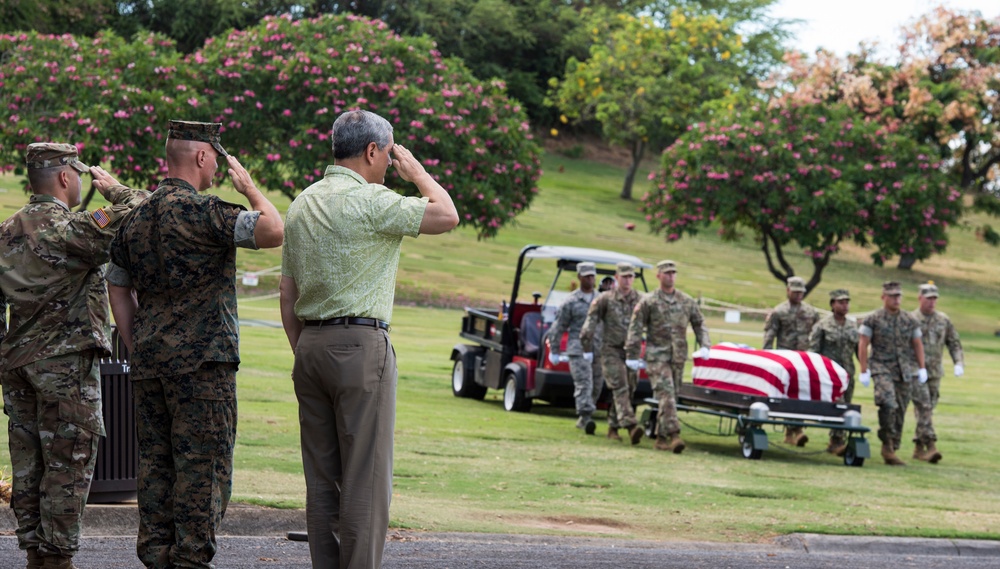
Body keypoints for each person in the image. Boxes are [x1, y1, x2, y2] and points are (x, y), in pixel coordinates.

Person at [278, 109, 458, 569]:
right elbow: (447, 215)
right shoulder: (374, 202)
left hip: (310, 347)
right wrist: (418, 174)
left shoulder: (301, 203)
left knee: (322, 480)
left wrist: (305, 349)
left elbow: (288, 290)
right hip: (360, 346)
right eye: (389, 152)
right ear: (373, 150)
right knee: (366, 479)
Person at [107, 121, 284, 568]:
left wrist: (136, 343)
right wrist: (251, 189)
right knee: (202, 474)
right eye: (215, 159)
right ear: (204, 157)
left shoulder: (135, 218)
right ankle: (189, 561)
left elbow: (117, 289)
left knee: (156, 468)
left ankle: (156, 556)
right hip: (205, 367)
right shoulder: (207, 213)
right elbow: (273, 230)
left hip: (150, 366)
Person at [0, 143, 146, 569]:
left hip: (17, 366)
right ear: (66, 177)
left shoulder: (6, 230)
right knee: (70, 463)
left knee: (29, 464)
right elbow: (139, 211)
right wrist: (116, 189)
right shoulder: (72, 230)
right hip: (66, 365)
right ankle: (57, 557)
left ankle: (33, 551)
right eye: (79, 173)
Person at [624, 260, 708, 453]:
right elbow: (635, 329)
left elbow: (699, 323)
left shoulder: (686, 301)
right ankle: (675, 435)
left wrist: (705, 344)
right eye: (667, 273)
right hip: (656, 357)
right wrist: (632, 354)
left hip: (678, 357)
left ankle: (660, 438)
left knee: (669, 398)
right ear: (659, 276)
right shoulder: (649, 301)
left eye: (673, 273)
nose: (671, 276)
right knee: (667, 394)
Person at [857, 281, 927, 466]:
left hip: (904, 371)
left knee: (900, 410)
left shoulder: (910, 319)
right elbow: (863, 343)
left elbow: (917, 343)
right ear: (883, 297)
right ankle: (887, 444)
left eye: (898, 296)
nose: (896, 299)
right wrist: (864, 370)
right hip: (881, 368)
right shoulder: (873, 318)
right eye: (892, 296)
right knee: (888, 404)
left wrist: (922, 367)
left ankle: (892, 446)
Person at [580, 262, 644, 444]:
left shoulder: (640, 299)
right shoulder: (605, 299)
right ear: (616, 278)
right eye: (624, 277)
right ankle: (631, 427)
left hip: (632, 352)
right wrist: (586, 348)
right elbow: (589, 324)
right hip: (611, 350)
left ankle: (613, 427)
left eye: (630, 277)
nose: (627, 280)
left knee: (629, 388)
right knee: (621, 385)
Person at [909, 282, 964, 464]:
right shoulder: (911, 319)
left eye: (934, 299)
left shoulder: (943, 319)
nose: (932, 302)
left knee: (927, 409)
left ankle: (918, 447)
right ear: (920, 298)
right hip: (916, 371)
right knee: (924, 407)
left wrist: (958, 362)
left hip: (934, 372)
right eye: (928, 298)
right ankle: (931, 445)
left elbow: (954, 342)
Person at [762, 275, 819, 446]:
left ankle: (796, 430)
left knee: (802, 393)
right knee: (787, 393)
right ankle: (793, 430)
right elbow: (769, 334)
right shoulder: (779, 311)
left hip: (804, 358)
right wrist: (767, 355)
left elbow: (817, 335)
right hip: (785, 359)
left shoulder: (811, 312)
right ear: (788, 291)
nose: (798, 295)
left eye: (801, 292)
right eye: (795, 292)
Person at [548, 262, 600, 434]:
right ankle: (586, 417)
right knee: (584, 383)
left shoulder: (601, 300)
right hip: (577, 349)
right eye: (587, 276)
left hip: (598, 348)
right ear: (579, 278)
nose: (590, 279)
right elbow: (559, 326)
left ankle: (585, 414)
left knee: (597, 385)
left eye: (592, 276)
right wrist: (554, 350)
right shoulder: (570, 301)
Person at [808, 289, 859, 456]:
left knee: (847, 405)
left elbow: (859, 350)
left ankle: (837, 439)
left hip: (848, 373)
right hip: (830, 374)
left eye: (847, 302)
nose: (845, 305)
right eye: (841, 302)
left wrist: (866, 368)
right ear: (832, 304)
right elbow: (814, 351)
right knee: (839, 405)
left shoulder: (853, 326)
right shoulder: (822, 325)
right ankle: (837, 440)